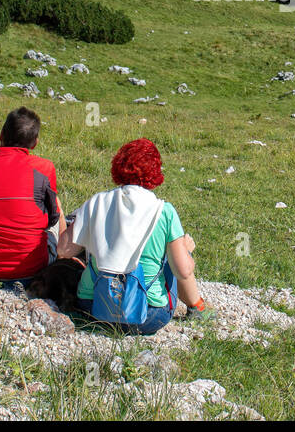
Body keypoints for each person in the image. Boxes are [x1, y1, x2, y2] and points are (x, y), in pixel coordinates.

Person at [59, 138, 207, 334]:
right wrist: (186, 251)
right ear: (156, 172)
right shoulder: (164, 211)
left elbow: (64, 249)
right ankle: (197, 308)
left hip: (93, 308)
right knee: (175, 257)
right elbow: (183, 271)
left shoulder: (97, 202)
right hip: (146, 316)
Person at [0, 107, 61, 286]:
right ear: (35, 143)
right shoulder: (45, 168)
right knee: (56, 202)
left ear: (1, 134)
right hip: (31, 270)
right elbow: (53, 218)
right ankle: (62, 260)